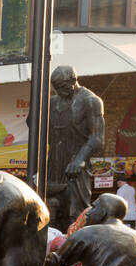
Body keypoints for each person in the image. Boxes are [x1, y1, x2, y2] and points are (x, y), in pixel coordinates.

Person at [45, 65, 105, 231]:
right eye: (56, 88)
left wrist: (80, 159)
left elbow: (97, 137)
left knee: (76, 211)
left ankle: (76, 248)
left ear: (73, 81)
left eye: (62, 87)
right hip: (54, 163)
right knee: (51, 210)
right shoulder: (53, 102)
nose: (59, 92)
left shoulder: (90, 101)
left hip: (76, 164)